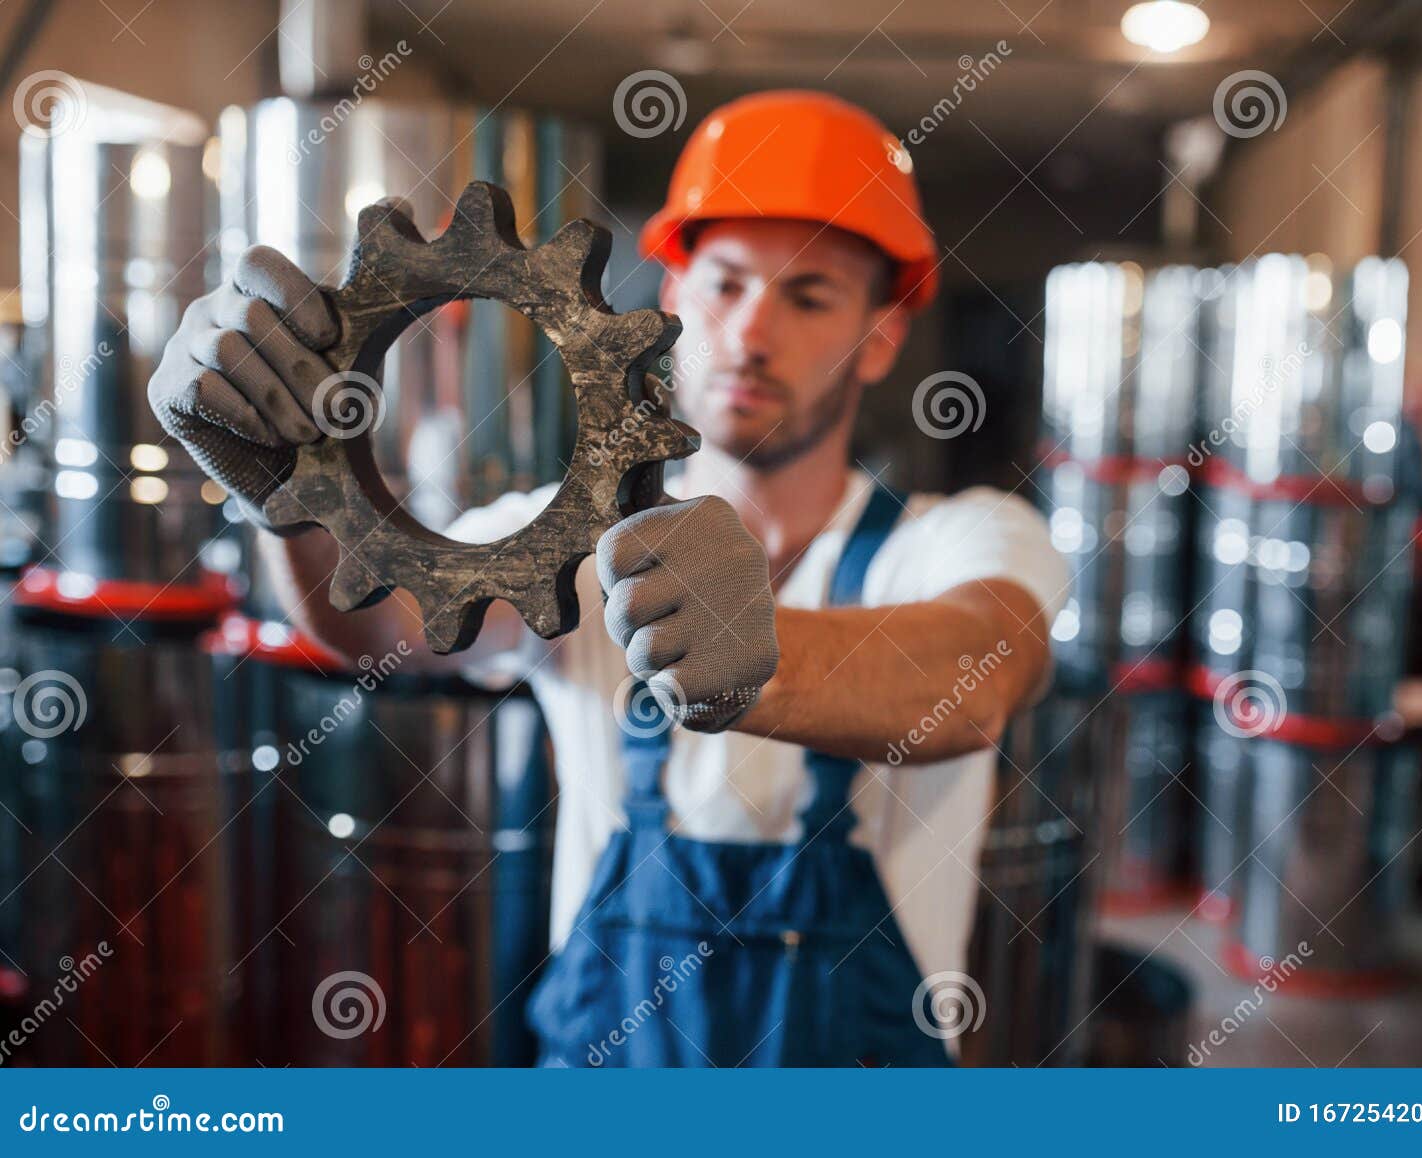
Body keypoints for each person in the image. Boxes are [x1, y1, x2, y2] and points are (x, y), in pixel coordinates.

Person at [148, 89, 1066, 1065]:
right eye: (725, 283)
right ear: (672, 298)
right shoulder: (561, 538)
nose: (753, 333)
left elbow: (978, 672)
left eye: (809, 296)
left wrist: (764, 663)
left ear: (878, 337)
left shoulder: (959, 537)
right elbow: (376, 631)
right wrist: (289, 498)